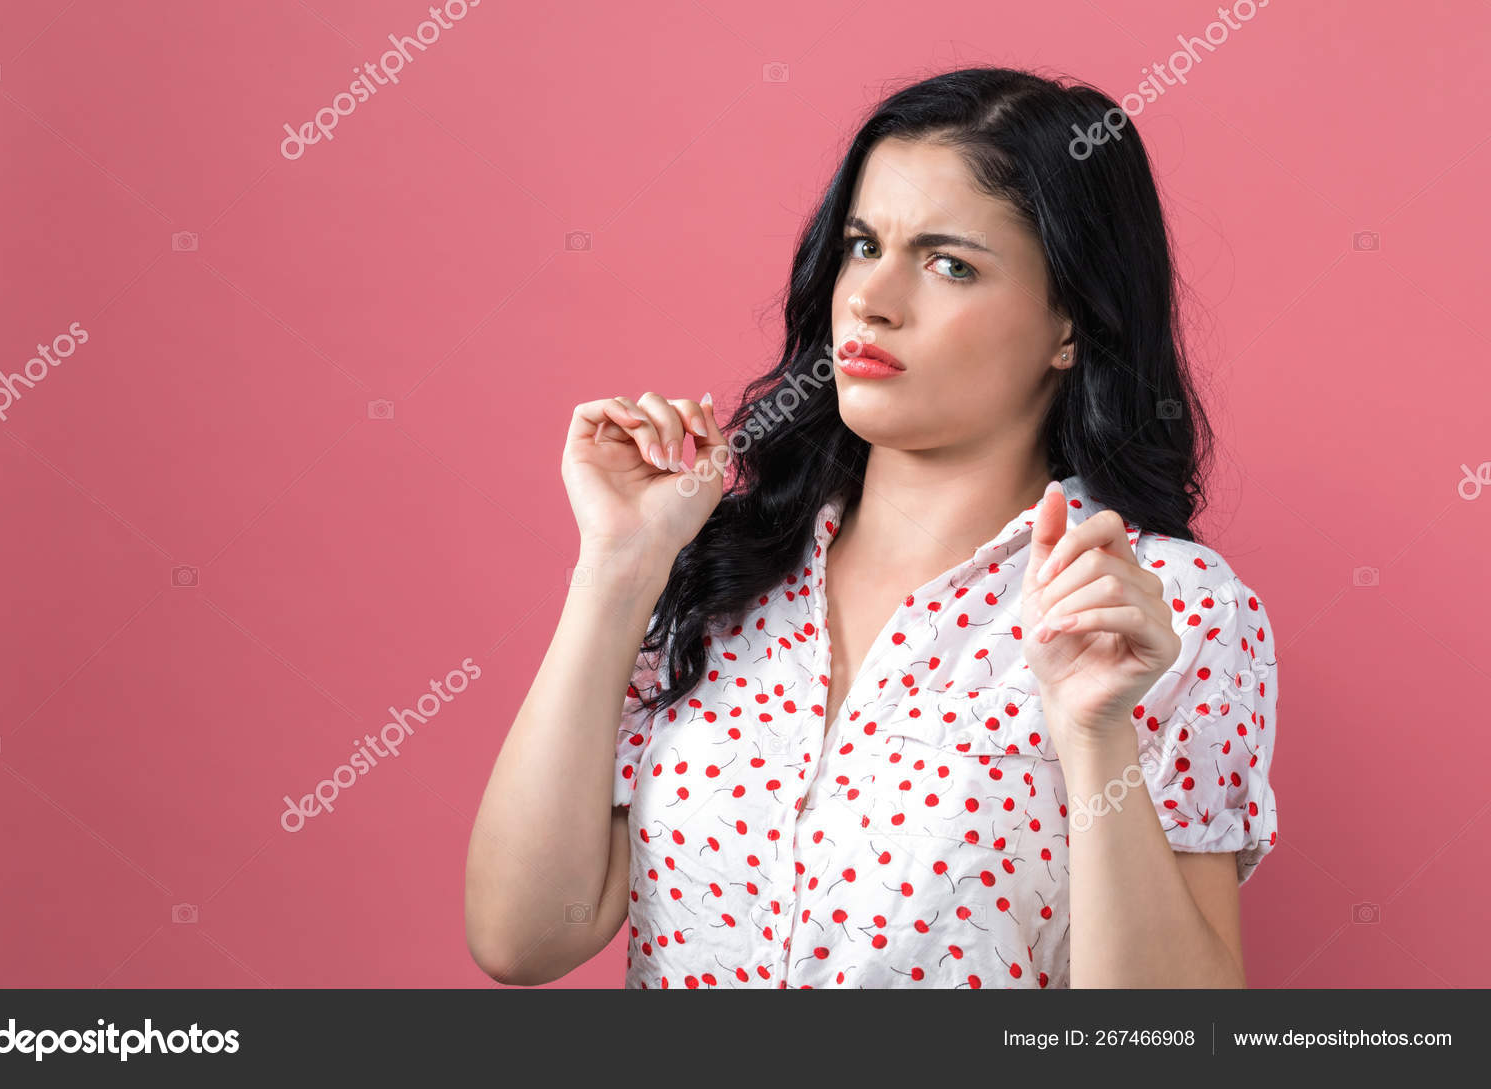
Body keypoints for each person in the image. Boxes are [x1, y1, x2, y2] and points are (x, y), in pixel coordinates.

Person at [466, 66, 1278, 989]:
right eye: (863, 245)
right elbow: (520, 937)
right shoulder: (721, 569)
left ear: (1072, 324)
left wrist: (1095, 736)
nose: (871, 299)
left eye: (949, 263)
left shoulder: (1165, 609)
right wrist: (619, 568)